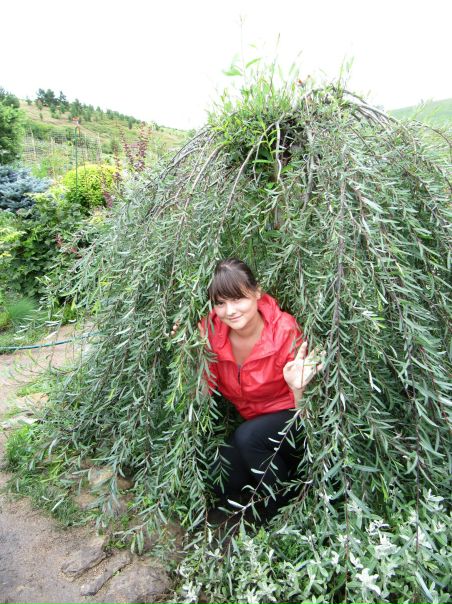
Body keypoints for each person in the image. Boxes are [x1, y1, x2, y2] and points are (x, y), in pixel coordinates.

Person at [194, 258, 324, 522]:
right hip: (253, 427)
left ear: (256, 293)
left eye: (237, 299)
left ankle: (285, 514)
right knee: (222, 475)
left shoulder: (284, 331)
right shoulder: (210, 332)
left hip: (295, 419)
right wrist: (189, 357)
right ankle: (284, 481)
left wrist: (297, 387)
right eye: (220, 303)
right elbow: (202, 395)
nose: (230, 311)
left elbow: (313, 415)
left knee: (248, 437)